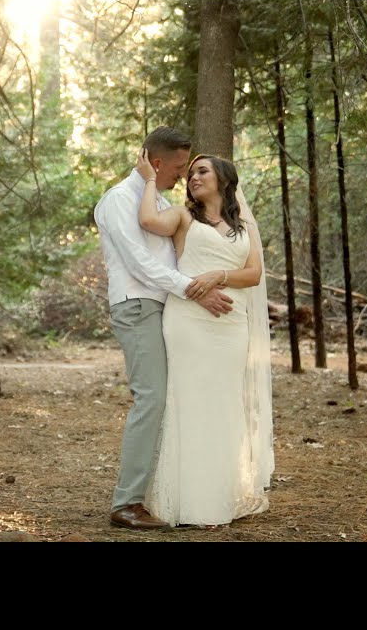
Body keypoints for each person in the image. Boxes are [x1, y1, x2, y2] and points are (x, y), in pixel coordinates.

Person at [93, 127, 234, 530]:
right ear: (156, 163)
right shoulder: (119, 200)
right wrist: (193, 290)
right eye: (178, 166)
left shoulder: (160, 202)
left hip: (167, 308)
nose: (183, 175)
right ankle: (126, 503)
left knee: (174, 399)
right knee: (151, 399)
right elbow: (139, 264)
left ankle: (173, 495)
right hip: (137, 306)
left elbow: (176, 258)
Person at [137, 151, 275, 527]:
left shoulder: (244, 225)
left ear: (224, 179)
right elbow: (148, 220)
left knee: (223, 405)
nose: (194, 178)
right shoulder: (184, 217)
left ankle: (217, 499)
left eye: (202, 171)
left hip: (231, 328)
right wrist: (149, 179)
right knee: (189, 403)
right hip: (188, 323)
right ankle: (185, 502)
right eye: (191, 173)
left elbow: (254, 274)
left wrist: (219, 275)